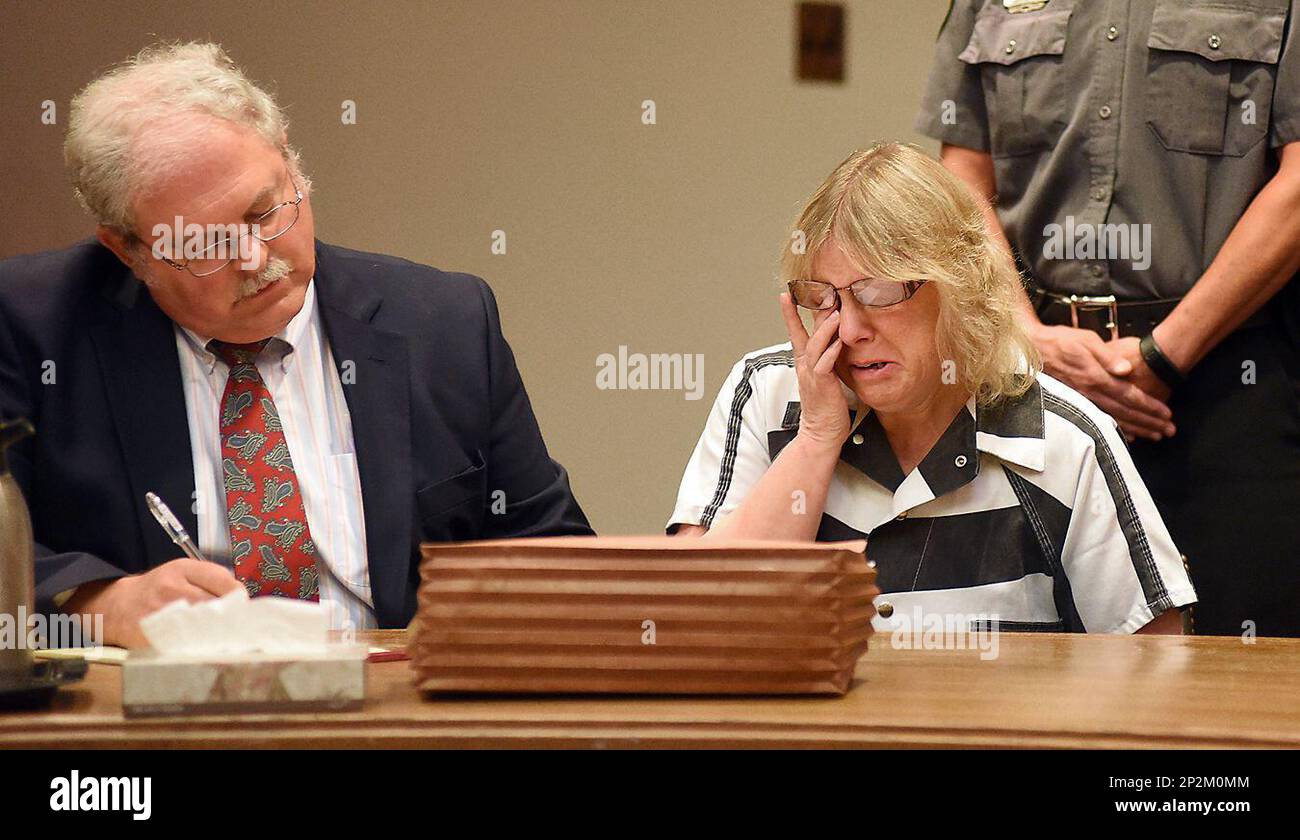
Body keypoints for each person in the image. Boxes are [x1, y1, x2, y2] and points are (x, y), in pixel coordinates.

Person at [0, 42, 591, 647]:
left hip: (397, 709)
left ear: (291, 163)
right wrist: (102, 600)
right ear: (128, 250)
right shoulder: (32, 325)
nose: (255, 259)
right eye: (206, 244)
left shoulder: (445, 322)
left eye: (263, 213)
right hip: (165, 724)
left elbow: (554, 552)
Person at [668, 143, 1194, 634]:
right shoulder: (766, 393)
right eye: (825, 297)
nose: (850, 331)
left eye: (878, 291)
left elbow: (1156, 662)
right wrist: (814, 437)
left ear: (960, 286)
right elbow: (700, 625)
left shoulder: (1062, 438)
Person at [916, 0, 1300, 636]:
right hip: (1029, 378)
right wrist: (1026, 339)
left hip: (1230, 382)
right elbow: (962, 171)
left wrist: (1161, 356)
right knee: (1030, 667)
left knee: (1235, 673)